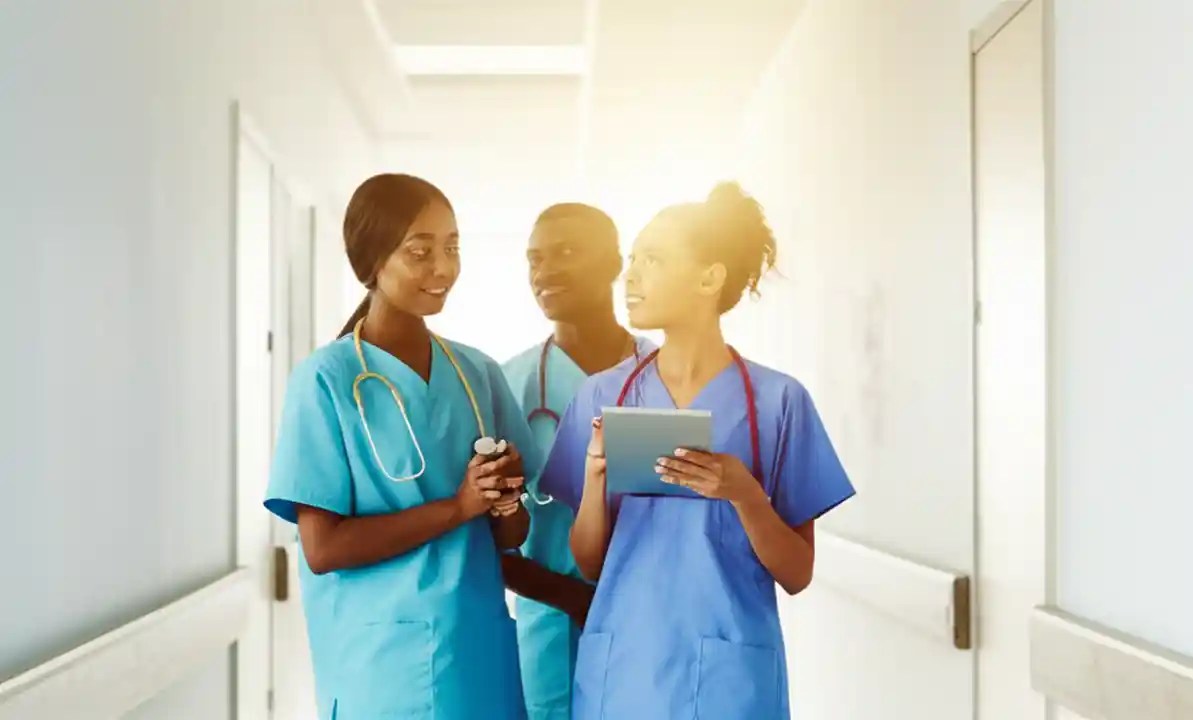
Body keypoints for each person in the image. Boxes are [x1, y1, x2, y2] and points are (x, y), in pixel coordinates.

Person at [539, 182, 856, 719]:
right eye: (632, 260)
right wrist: (594, 478)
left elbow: (798, 573)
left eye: (653, 259)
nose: (631, 276)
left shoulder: (778, 403)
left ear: (709, 278)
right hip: (625, 673)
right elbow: (590, 563)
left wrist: (744, 495)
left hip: (730, 682)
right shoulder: (603, 395)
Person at [264, 173, 531, 719]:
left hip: (478, 653)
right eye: (420, 251)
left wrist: (502, 501)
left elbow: (511, 534)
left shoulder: (477, 373)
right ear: (372, 262)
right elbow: (323, 549)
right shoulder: (327, 380)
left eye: (452, 247)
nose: (443, 268)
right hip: (383, 670)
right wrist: (458, 506)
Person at [500, 203, 656, 720]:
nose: (545, 272)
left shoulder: (669, 377)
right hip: (550, 628)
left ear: (616, 263)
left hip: (654, 617)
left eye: (566, 252)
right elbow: (483, 535)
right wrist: (573, 597)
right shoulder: (508, 385)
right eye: (534, 259)